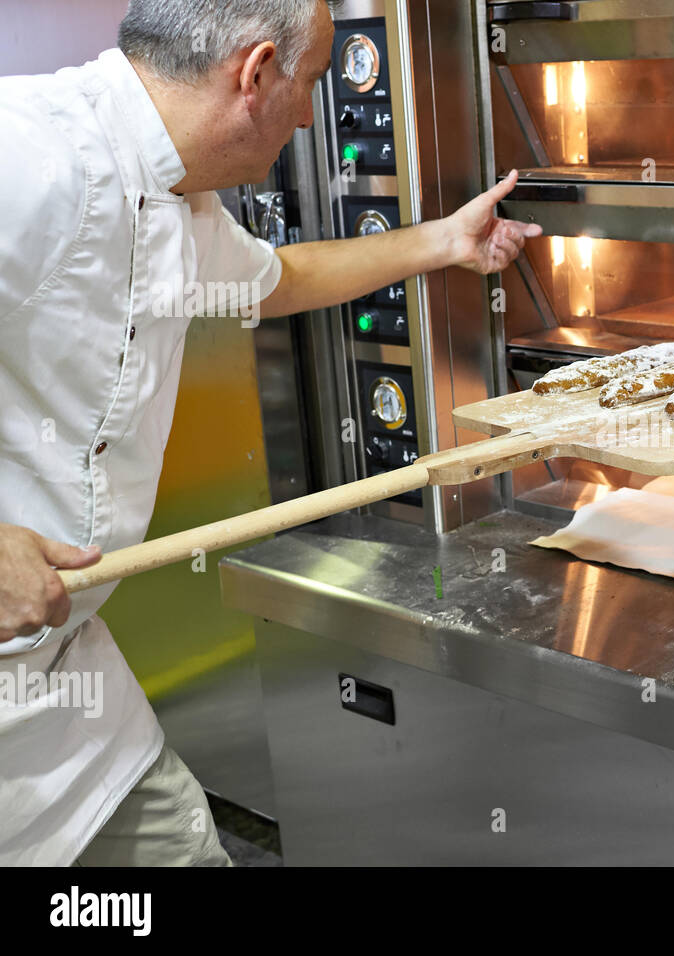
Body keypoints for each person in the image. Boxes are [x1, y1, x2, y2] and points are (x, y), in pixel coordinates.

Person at [0, 0, 540, 865]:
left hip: (64, 680)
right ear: (255, 74)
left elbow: (279, 277)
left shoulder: (180, 201)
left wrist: (443, 242)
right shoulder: (26, 153)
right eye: (312, 81)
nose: (307, 113)